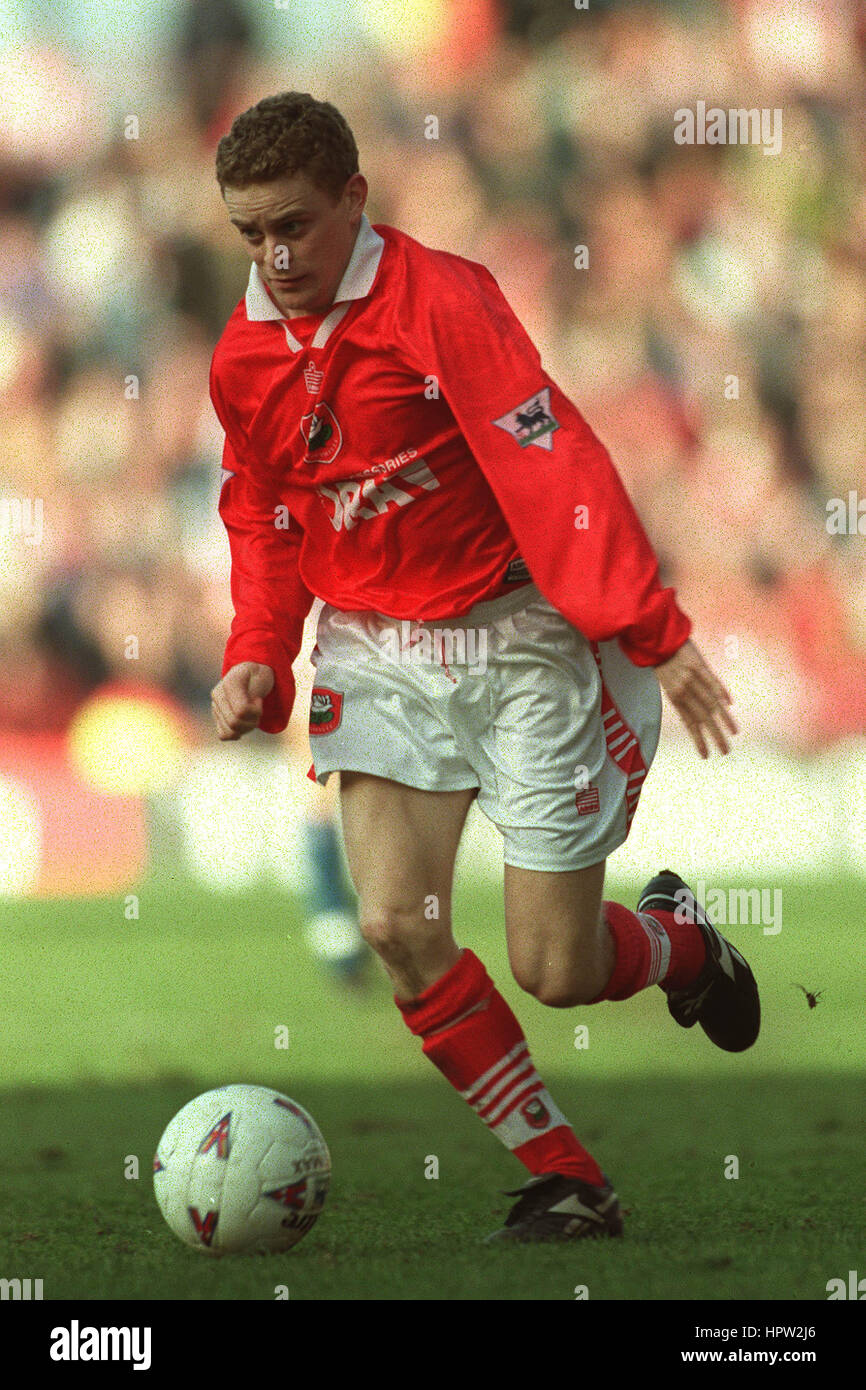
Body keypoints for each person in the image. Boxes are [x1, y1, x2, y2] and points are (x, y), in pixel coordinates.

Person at [209, 92, 759, 1244]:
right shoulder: (242, 357)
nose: (275, 254)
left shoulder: (441, 301)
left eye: (295, 225)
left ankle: (678, 943)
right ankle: (567, 1175)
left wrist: (648, 625)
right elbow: (261, 511)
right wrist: (257, 652)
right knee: (394, 925)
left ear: (354, 200)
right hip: (375, 648)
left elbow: (549, 459)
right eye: (251, 233)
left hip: (517, 642)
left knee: (554, 967)